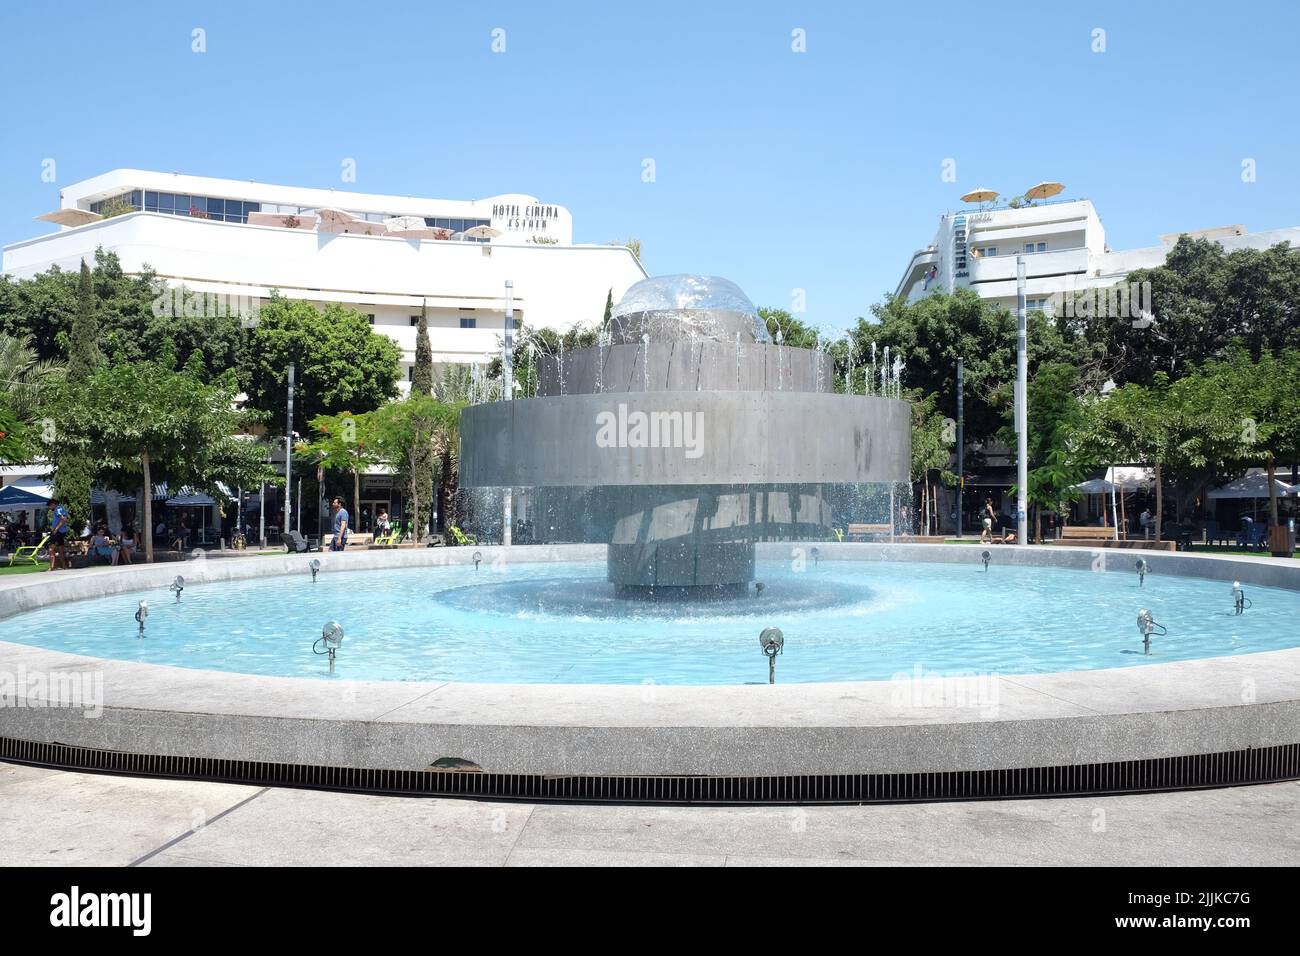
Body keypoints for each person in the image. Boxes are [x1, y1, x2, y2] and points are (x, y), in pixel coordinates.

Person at [46, 497, 70, 571]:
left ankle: (51, 567)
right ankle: (64, 566)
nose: (49, 508)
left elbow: (63, 519)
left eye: (49, 506)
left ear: (53, 504)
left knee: (51, 549)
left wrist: (56, 529)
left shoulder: (58, 509)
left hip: (57, 532)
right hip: (62, 532)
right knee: (60, 549)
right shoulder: (61, 508)